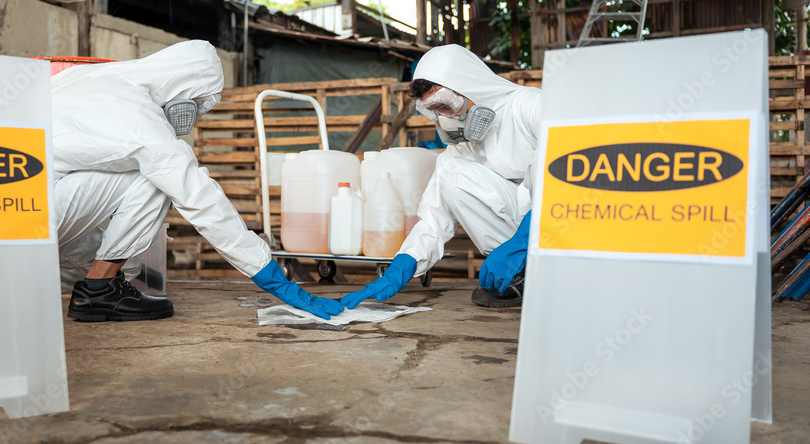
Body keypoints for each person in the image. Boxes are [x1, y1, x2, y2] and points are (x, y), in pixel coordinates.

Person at [50, 40, 343, 322]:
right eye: (197, 101)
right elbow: (201, 200)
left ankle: (94, 286)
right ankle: (99, 289)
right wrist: (270, 275)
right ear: (183, 85)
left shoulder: (92, 77)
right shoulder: (141, 121)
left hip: (15, 206)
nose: (195, 112)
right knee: (156, 179)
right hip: (37, 217)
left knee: (137, 184)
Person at [341, 44, 540, 310]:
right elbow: (434, 219)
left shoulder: (529, 106)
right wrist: (403, 265)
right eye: (433, 112)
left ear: (470, 87)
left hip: (567, 222)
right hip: (524, 240)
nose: (443, 120)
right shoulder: (460, 150)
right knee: (451, 173)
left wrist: (522, 242)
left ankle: (531, 261)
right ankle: (520, 277)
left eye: (445, 106)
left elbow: (568, 179)